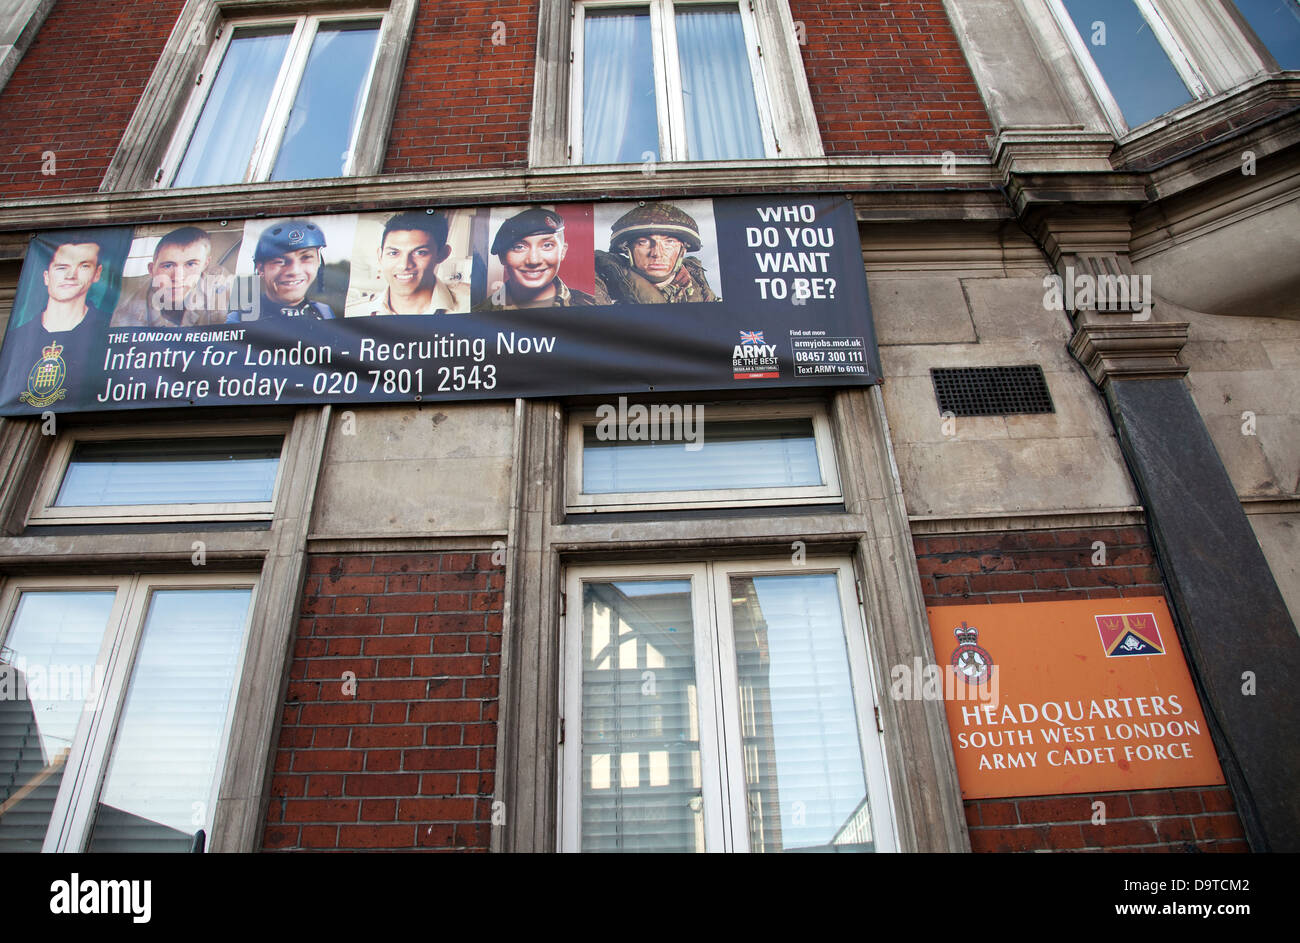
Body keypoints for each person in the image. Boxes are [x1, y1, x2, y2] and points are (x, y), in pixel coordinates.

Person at [1, 233, 112, 407]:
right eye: (61, 267)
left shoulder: (112, 332)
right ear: (46, 275)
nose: (71, 275)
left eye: (84, 266)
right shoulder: (16, 339)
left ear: (97, 274)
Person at [475, 208, 602, 310]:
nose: (534, 260)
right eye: (519, 247)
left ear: (562, 251)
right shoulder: (479, 315)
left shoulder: (594, 307)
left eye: (547, 245)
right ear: (502, 257)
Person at [346, 211, 468, 316]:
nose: (404, 265)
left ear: (442, 254)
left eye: (420, 253)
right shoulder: (354, 313)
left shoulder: (470, 306)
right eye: (394, 253)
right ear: (380, 256)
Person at [594, 202, 719, 304]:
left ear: (683, 250)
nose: (657, 253)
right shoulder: (601, 286)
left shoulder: (701, 289)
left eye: (669, 242)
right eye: (644, 242)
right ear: (627, 249)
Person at [112, 226, 229, 328]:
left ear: (205, 264)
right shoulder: (127, 314)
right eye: (168, 266)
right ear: (151, 270)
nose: (178, 277)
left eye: (190, 264)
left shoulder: (223, 293)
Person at [229, 219, 335, 322]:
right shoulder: (238, 319)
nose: (294, 271)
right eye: (279, 261)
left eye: (306, 257)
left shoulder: (324, 312)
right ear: (260, 268)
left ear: (318, 262)